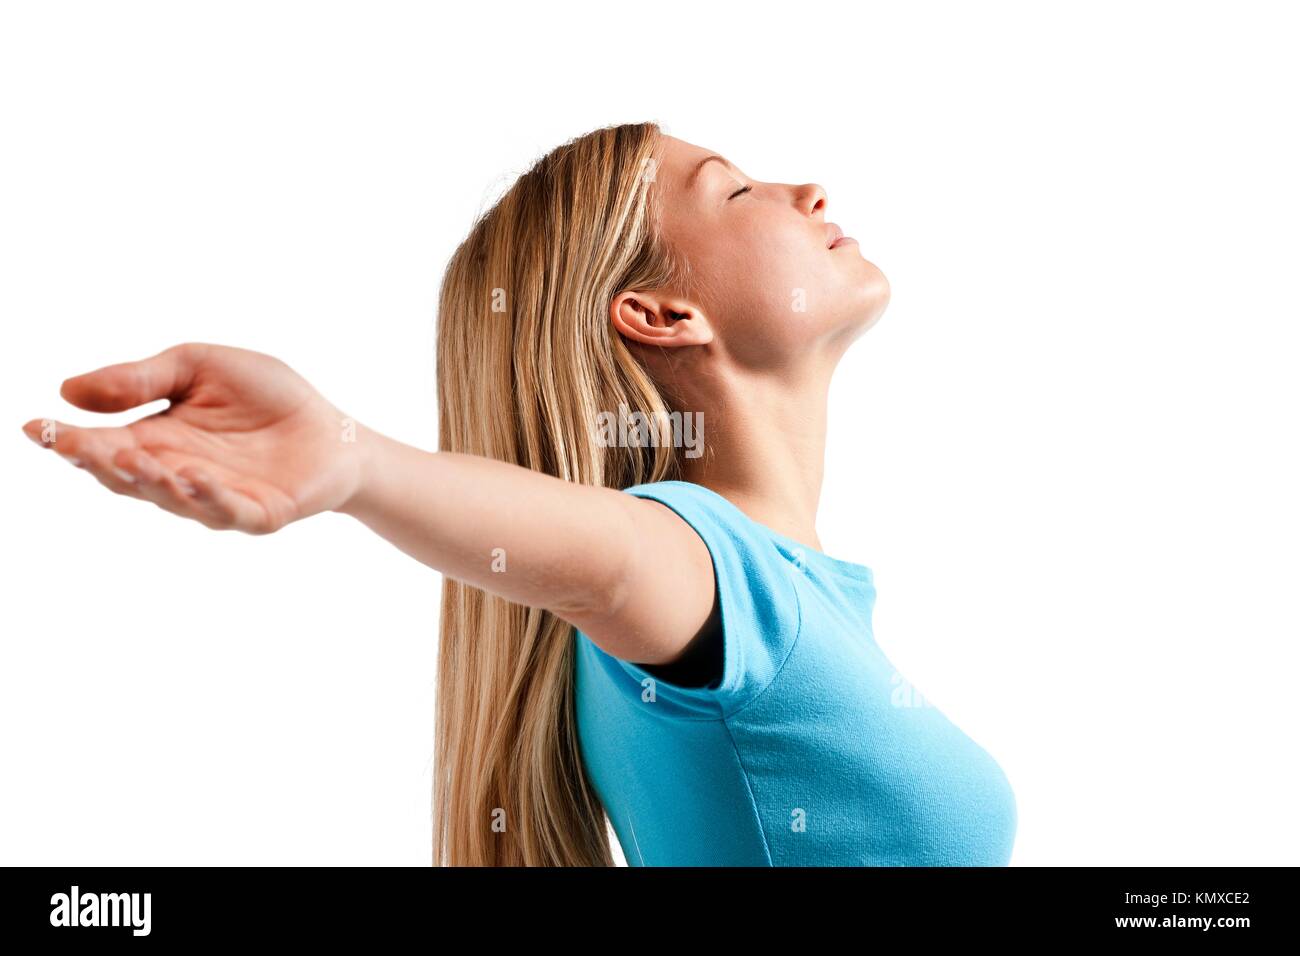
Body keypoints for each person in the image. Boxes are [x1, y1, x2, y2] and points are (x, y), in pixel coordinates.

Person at [21, 121, 1017, 866]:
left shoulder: (786, 597)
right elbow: (611, 561)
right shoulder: (701, 565)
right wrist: (358, 461)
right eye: (736, 189)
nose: (805, 190)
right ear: (659, 313)